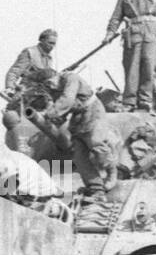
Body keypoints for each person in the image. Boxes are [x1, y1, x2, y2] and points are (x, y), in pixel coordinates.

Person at [31, 66, 119, 195]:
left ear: (56, 75)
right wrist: (53, 120)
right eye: (46, 85)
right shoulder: (53, 88)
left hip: (93, 111)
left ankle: (112, 171)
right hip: (78, 118)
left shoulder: (70, 78)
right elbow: (62, 111)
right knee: (78, 155)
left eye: (50, 82)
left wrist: (50, 113)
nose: (50, 86)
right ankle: (95, 186)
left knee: (96, 143)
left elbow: (67, 99)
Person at [5, 29, 58, 96]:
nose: (52, 46)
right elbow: (15, 71)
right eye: (50, 43)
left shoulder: (49, 57)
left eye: (54, 44)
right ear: (42, 40)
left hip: (41, 91)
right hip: (27, 90)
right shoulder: (30, 52)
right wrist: (10, 87)